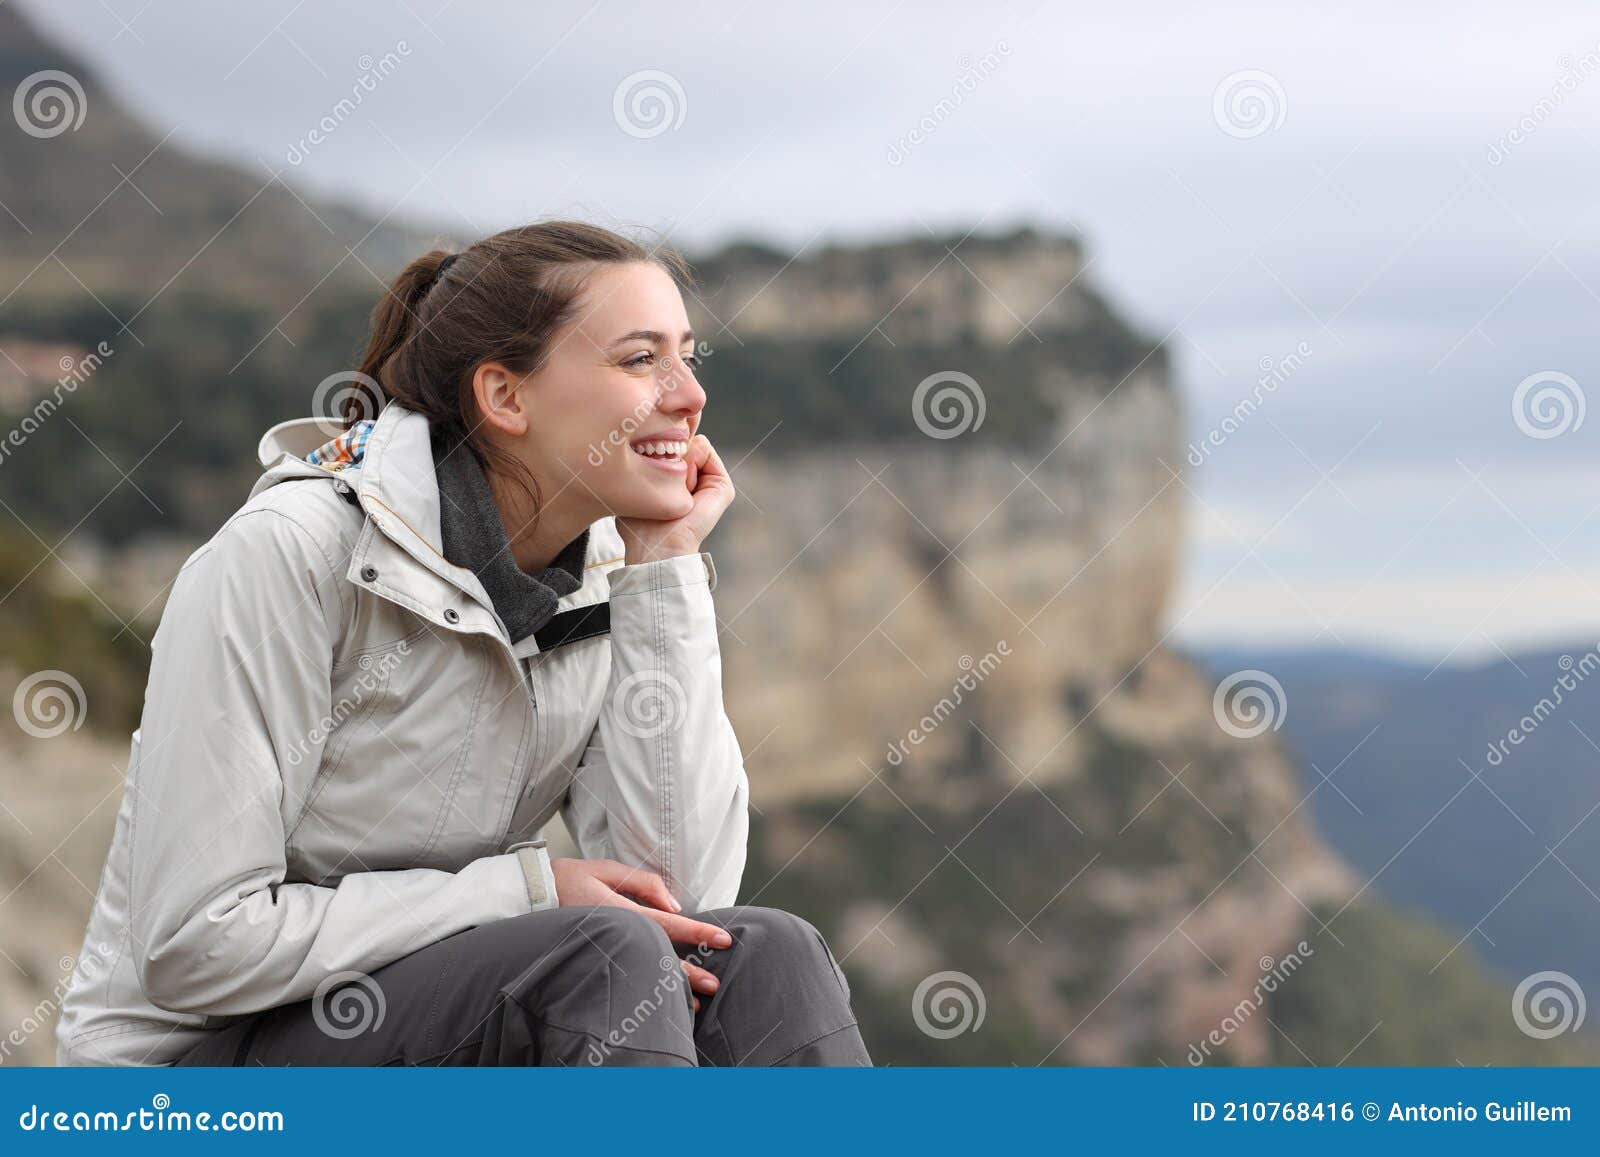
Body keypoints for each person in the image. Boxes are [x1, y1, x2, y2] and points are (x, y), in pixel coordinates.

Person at [54, 220, 871, 1067]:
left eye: (688, 357)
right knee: (596, 960)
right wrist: (524, 892)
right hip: (194, 1072)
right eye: (640, 359)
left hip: (425, 1016)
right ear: (505, 397)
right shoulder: (290, 554)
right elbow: (196, 944)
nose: (689, 395)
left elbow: (683, 902)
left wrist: (663, 572)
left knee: (766, 954)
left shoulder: (598, 577)